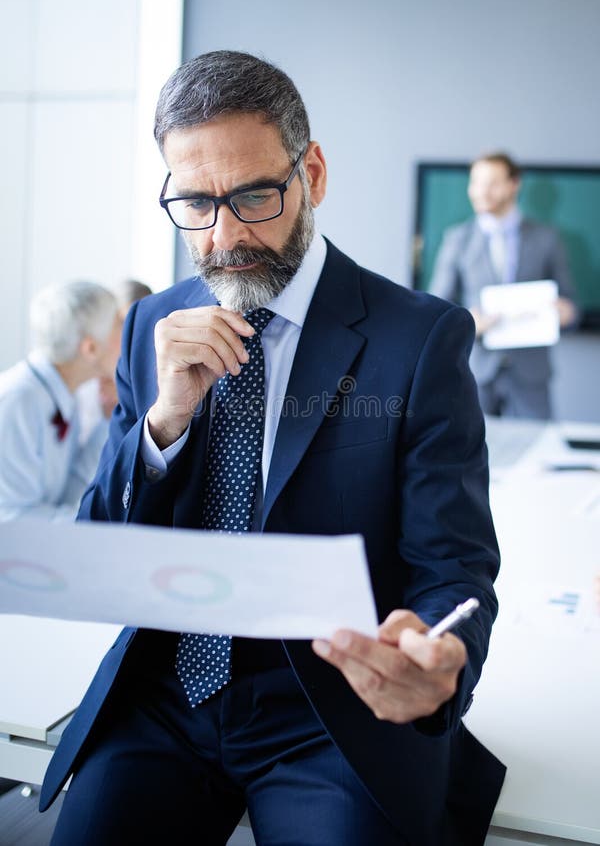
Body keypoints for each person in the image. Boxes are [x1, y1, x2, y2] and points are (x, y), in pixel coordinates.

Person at [41, 51, 505, 846]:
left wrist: (439, 657)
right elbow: (101, 545)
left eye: (254, 195)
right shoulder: (155, 326)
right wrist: (164, 420)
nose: (224, 235)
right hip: (167, 695)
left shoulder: (419, 339)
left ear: (312, 174)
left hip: (328, 713)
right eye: (194, 202)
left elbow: (452, 569)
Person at [429, 152, 578, 419]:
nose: (481, 192)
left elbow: (571, 304)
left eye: (492, 183)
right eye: (475, 183)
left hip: (531, 373)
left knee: (536, 452)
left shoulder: (547, 239)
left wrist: (567, 312)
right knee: (468, 453)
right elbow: (436, 308)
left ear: (514, 184)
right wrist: (468, 320)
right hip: (474, 370)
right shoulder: (457, 240)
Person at [0, 281, 121, 521]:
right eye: (118, 324)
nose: (129, 332)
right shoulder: (18, 401)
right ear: (90, 348)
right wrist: (96, 522)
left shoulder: (64, 394)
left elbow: (69, 491)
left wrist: (109, 420)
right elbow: (10, 516)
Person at [76, 279, 153, 443]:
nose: (127, 336)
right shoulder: (84, 381)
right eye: (122, 325)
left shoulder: (154, 380)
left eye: (137, 325)